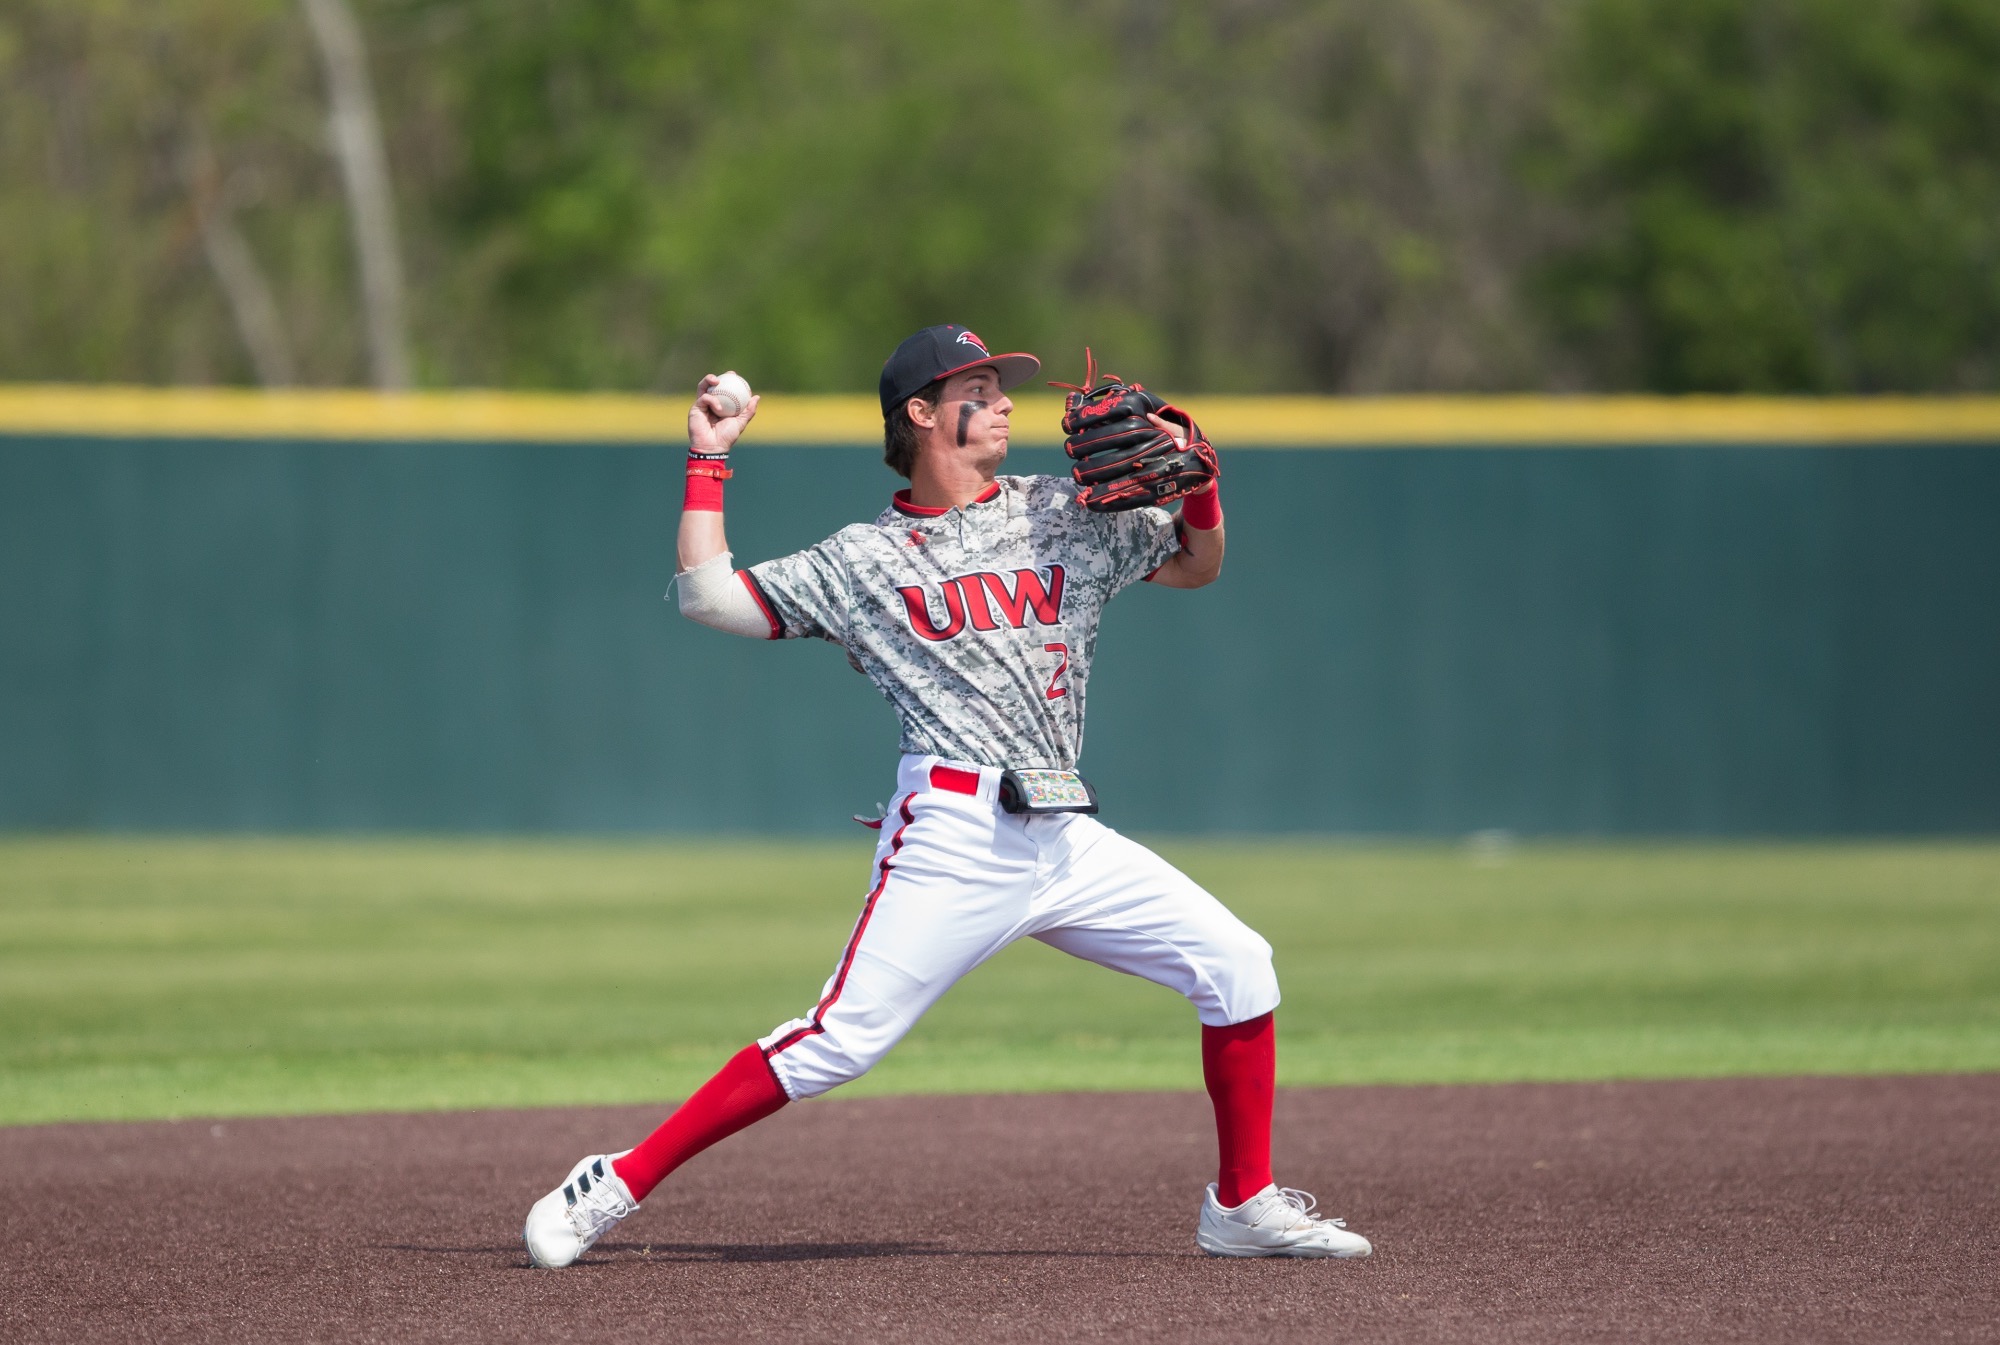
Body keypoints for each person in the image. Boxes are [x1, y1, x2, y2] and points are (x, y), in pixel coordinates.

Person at [523, 324, 1371, 1266]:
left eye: (1003, 387)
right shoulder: (863, 560)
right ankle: (617, 1178)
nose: (1006, 400)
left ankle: (1242, 1203)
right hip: (955, 831)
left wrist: (1202, 481)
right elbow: (707, 596)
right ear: (921, 413)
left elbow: (1195, 563)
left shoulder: (1064, 511)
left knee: (1240, 966)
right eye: (980, 386)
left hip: (1064, 833)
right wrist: (708, 457)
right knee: (836, 1042)